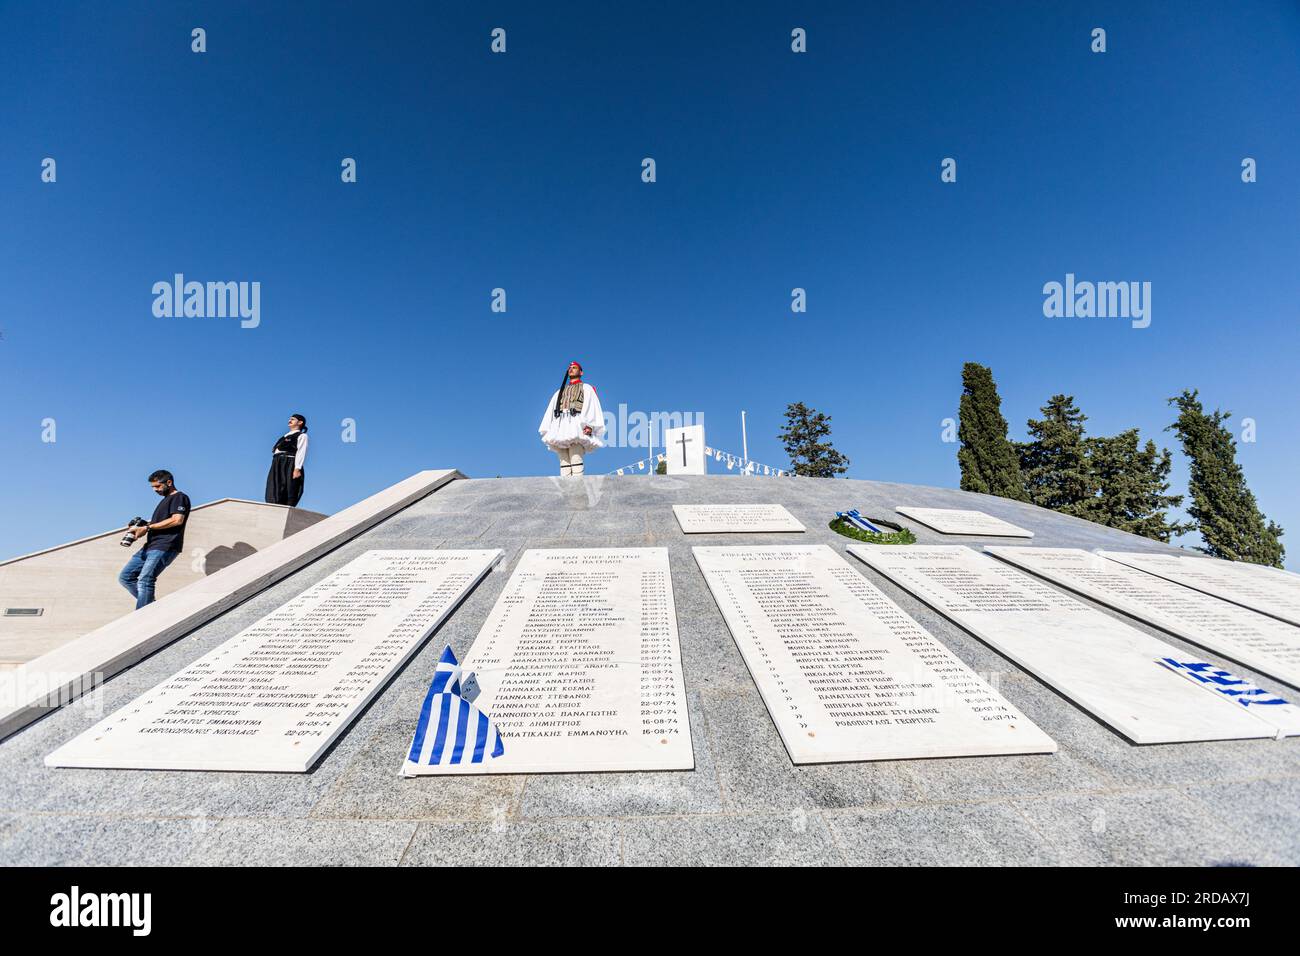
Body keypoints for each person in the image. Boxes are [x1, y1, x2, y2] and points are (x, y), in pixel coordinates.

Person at [118, 469, 191, 610]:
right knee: (126, 577)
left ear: (169, 482)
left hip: (165, 545)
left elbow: (177, 520)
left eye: (157, 486)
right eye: (152, 487)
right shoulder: (164, 501)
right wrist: (140, 526)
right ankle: (151, 607)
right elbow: (157, 524)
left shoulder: (179, 497)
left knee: (145, 580)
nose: (154, 490)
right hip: (150, 546)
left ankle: (142, 617)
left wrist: (147, 528)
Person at [538, 361, 605, 476]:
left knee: (575, 456)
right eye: (570, 368)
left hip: (576, 423)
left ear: (581, 372)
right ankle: (566, 489)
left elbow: (591, 405)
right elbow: (552, 409)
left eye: (574, 367)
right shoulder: (560, 391)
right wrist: (549, 428)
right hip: (561, 424)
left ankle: (578, 487)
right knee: (563, 459)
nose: (571, 369)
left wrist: (589, 425)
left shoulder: (586, 388)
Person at [265, 413, 309, 506]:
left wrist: (297, 468)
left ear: (300, 422)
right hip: (277, 463)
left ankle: (287, 506)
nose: (290, 420)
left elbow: (301, 452)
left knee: (289, 487)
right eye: (289, 419)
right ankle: (273, 506)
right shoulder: (284, 437)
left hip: (289, 463)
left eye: (293, 419)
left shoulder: (301, 435)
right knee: (274, 486)